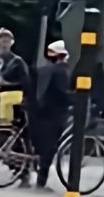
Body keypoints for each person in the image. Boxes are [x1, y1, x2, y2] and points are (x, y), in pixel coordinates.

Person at [24, 39, 72, 187]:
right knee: (50, 146)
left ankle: (24, 172)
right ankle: (41, 179)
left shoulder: (41, 69)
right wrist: (76, 100)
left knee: (34, 143)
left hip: (35, 111)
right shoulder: (63, 72)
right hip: (53, 113)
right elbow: (61, 92)